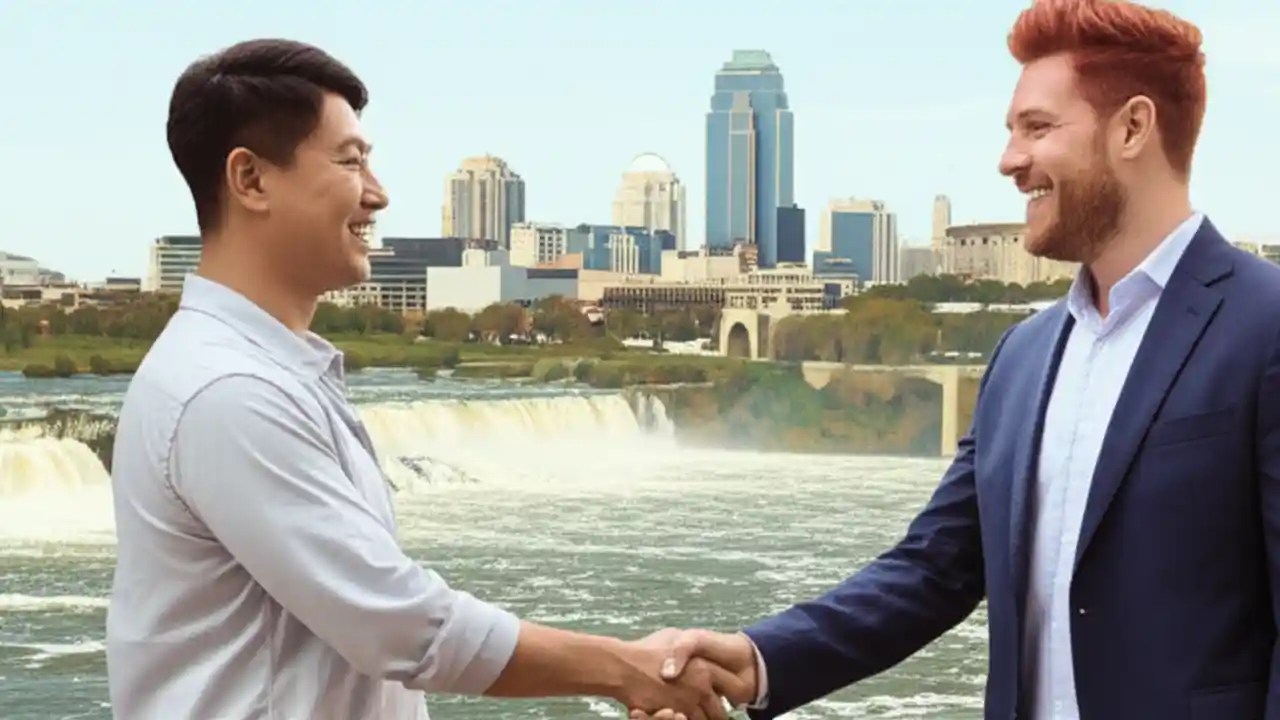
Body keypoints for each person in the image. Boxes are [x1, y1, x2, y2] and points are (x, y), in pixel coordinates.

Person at [634, 0, 1280, 718]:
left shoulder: (1266, 327)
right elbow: (934, 570)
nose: (1010, 161)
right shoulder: (1023, 356)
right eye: (1011, 132)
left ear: (1132, 127)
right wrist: (757, 661)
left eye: (1036, 128)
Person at [105, 38, 746, 720]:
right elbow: (402, 626)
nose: (377, 195)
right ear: (252, 180)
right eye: (351, 162)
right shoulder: (227, 392)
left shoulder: (271, 372)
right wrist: (629, 670)